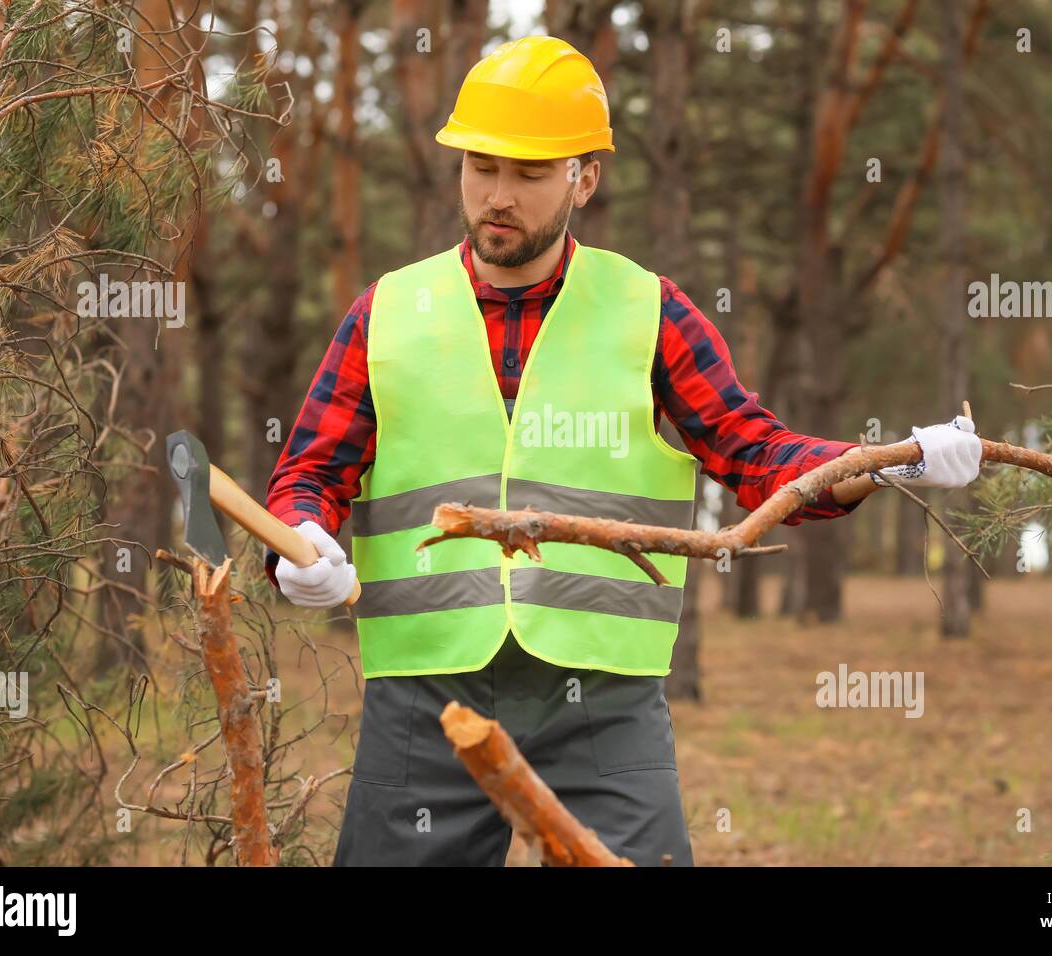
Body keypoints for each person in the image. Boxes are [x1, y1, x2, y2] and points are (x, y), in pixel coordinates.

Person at [263, 35, 983, 866]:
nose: (498, 195)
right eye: (481, 167)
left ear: (585, 178)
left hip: (600, 698)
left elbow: (754, 455)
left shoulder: (651, 311)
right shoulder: (386, 312)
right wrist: (302, 540)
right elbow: (309, 472)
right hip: (425, 694)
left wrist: (890, 460)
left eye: (530, 174)